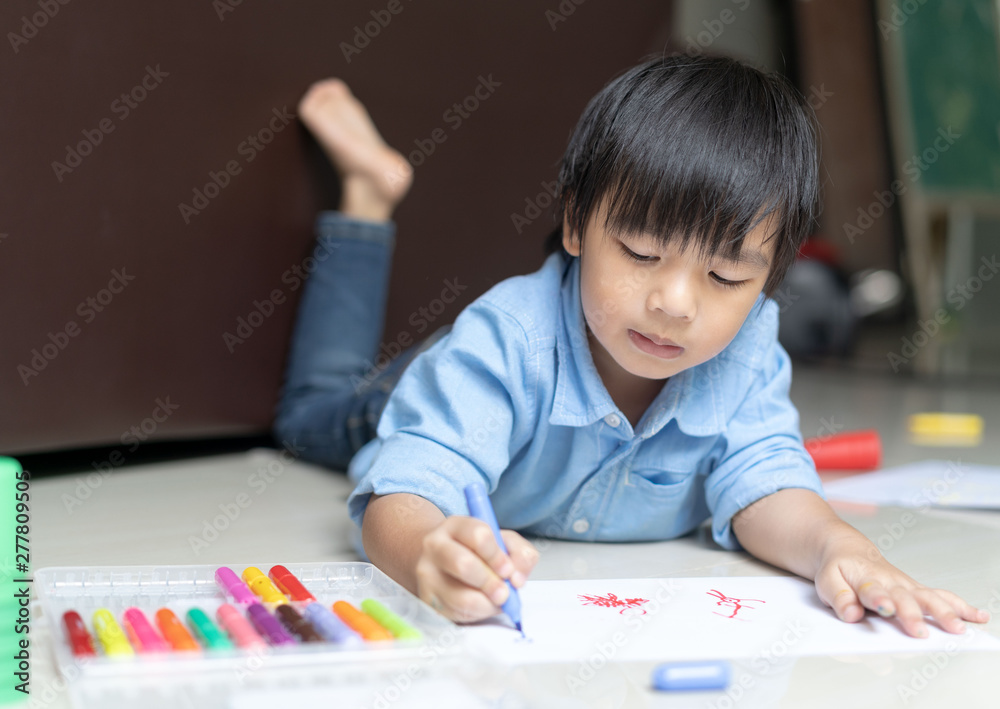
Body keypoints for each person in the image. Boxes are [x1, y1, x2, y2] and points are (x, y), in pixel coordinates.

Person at [274, 55, 989, 638]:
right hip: (425, 386)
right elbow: (404, 491)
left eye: (724, 276)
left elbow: (767, 482)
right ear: (576, 224)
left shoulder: (746, 351)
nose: (675, 303)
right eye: (642, 253)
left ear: (770, 281)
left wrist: (842, 548)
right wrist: (424, 554)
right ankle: (366, 200)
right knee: (309, 414)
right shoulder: (503, 345)